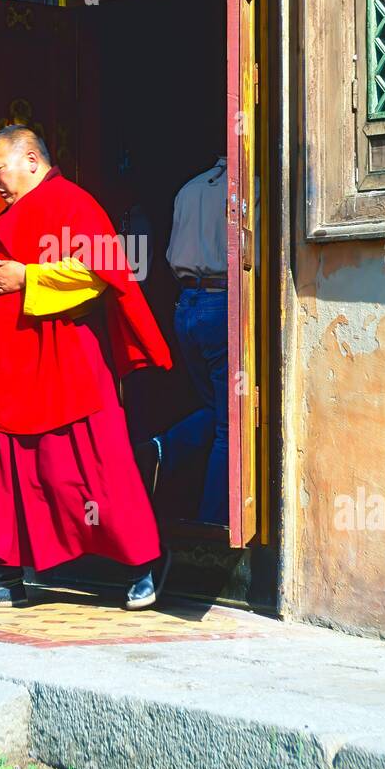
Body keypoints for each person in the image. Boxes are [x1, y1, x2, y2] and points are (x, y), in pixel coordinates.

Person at [0, 125, 174, 611]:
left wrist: (28, 275)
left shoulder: (71, 204)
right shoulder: (16, 213)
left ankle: (144, 565)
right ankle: (2, 575)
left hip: (63, 364)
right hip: (10, 370)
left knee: (91, 469)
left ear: (30, 159)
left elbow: (99, 276)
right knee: (4, 471)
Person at [136, 155, 229, 526]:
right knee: (230, 425)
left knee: (219, 410)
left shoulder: (189, 189)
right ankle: (213, 525)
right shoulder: (246, 188)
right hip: (222, 304)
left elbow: (170, 254)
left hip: (185, 307)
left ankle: (162, 449)